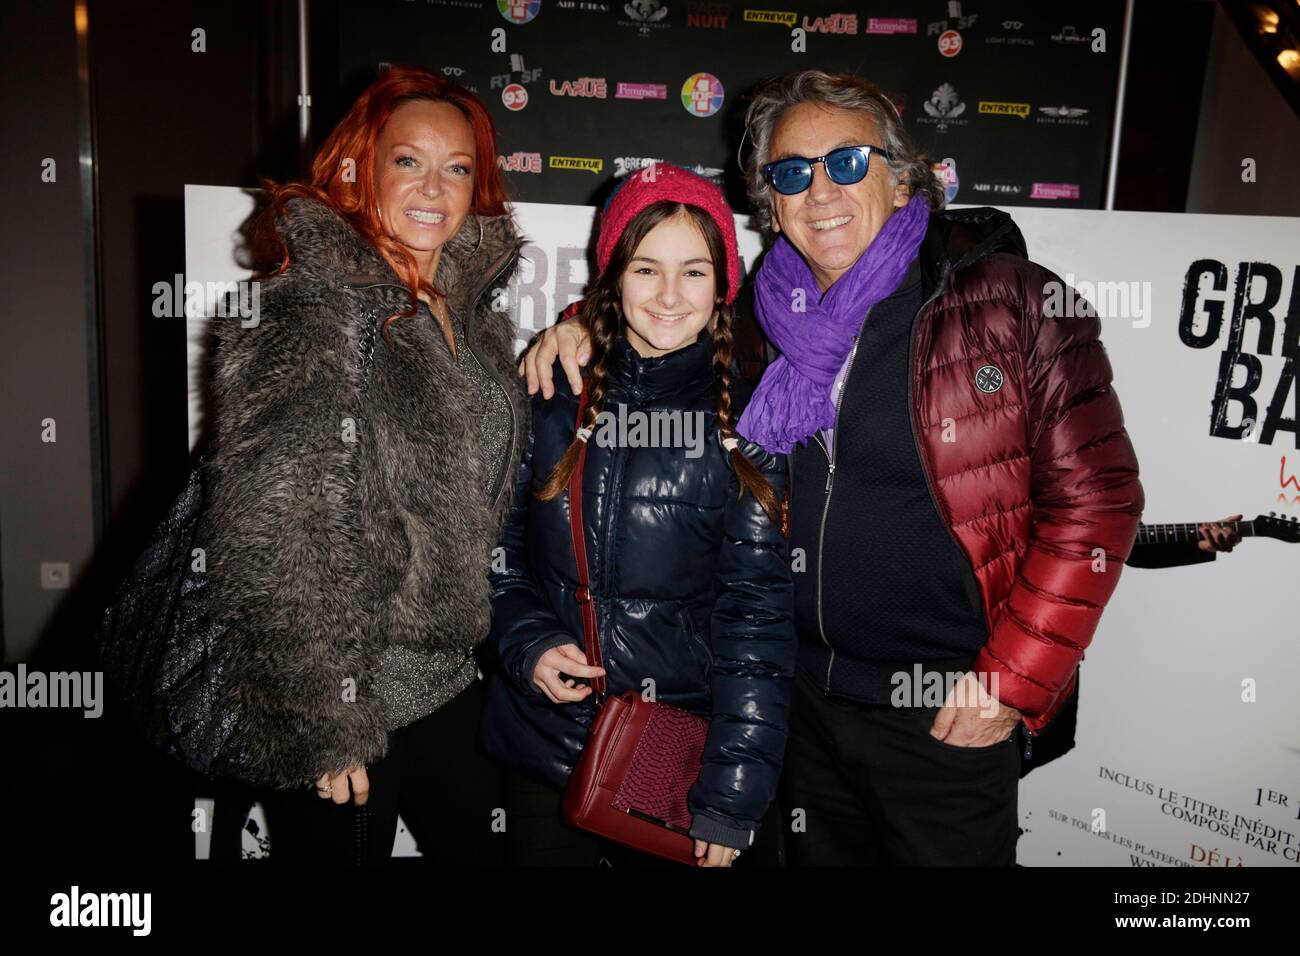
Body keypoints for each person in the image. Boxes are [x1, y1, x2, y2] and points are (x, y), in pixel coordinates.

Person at [519, 70, 1145, 866]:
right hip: (799, 709)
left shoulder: (1013, 305)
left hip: (944, 709)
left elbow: (1098, 503)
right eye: (790, 173)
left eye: (847, 162)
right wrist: (576, 327)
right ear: (768, 205)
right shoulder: (756, 322)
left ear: (902, 173)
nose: (820, 191)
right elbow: (658, 313)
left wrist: (1011, 680)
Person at [200, 65, 528, 863]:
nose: (435, 186)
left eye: (457, 168)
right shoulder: (310, 310)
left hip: (447, 679)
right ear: (359, 169)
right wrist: (321, 720)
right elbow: (278, 532)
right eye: (408, 160)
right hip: (346, 691)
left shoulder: (473, 315)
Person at [480, 164, 796, 867]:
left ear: (722, 286)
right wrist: (526, 640)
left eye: (693, 272)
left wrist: (730, 794)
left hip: (673, 763)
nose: (668, 295)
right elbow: (491, 552)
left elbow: (757, 621)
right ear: (613, 276)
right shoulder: (547, 394)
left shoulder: (751, 426)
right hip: (543, 748)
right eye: (647, 269)